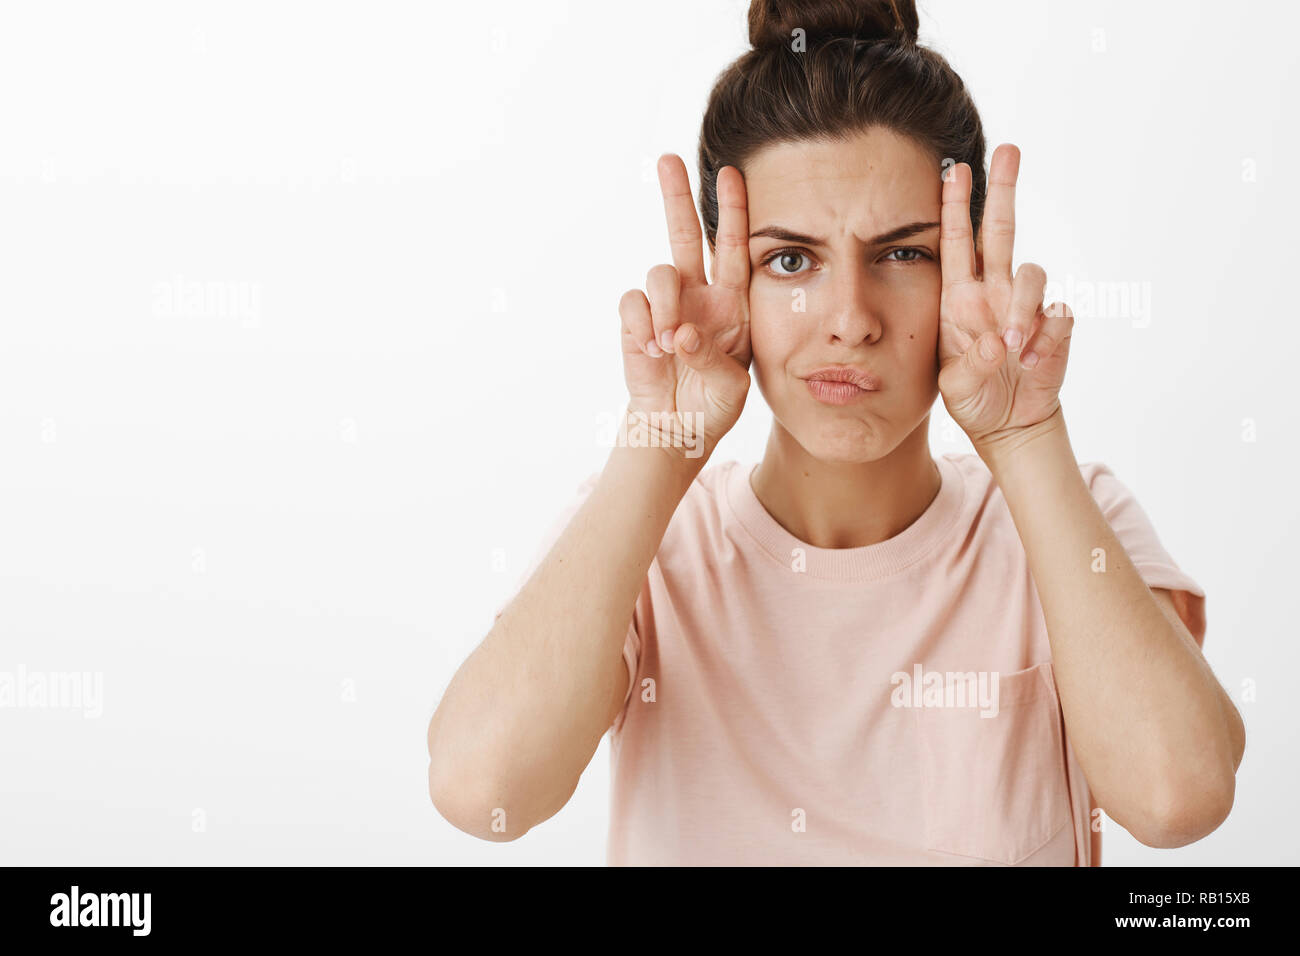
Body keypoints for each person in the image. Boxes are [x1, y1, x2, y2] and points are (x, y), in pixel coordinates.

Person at [426, 0, 1244, 865]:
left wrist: (1027, 437)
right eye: (790, 260)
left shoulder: (1073, 520)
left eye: (903, 254)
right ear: (727, 277)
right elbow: (485, 794)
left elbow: (1176, 801)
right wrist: (657, 441)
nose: (849, 319)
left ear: (966, 265)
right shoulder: (651, 542)